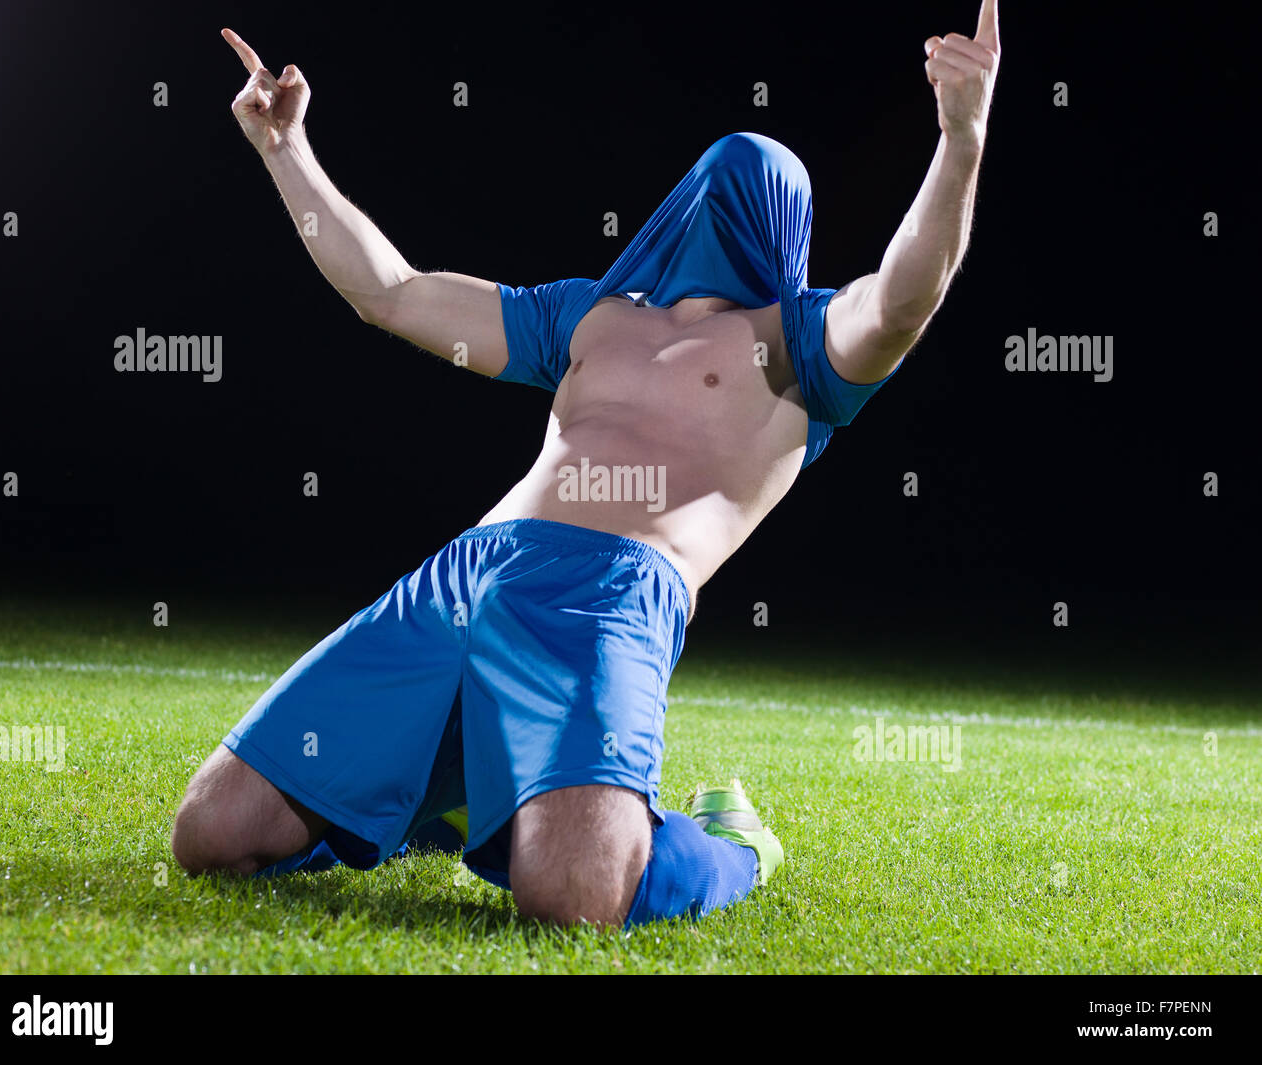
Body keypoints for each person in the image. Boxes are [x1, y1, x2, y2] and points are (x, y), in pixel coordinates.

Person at [171, 3, 1002, 929]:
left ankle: (732, 847)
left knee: (572, 898)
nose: (735, 190)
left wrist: (959, 140)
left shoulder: (803, 344)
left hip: (609, 594)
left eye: (764, 185)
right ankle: (443, 796)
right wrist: (287, 151)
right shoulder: (590, 317)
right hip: (469, 572)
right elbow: (392, 294)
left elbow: (901, 300)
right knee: (211, 834)